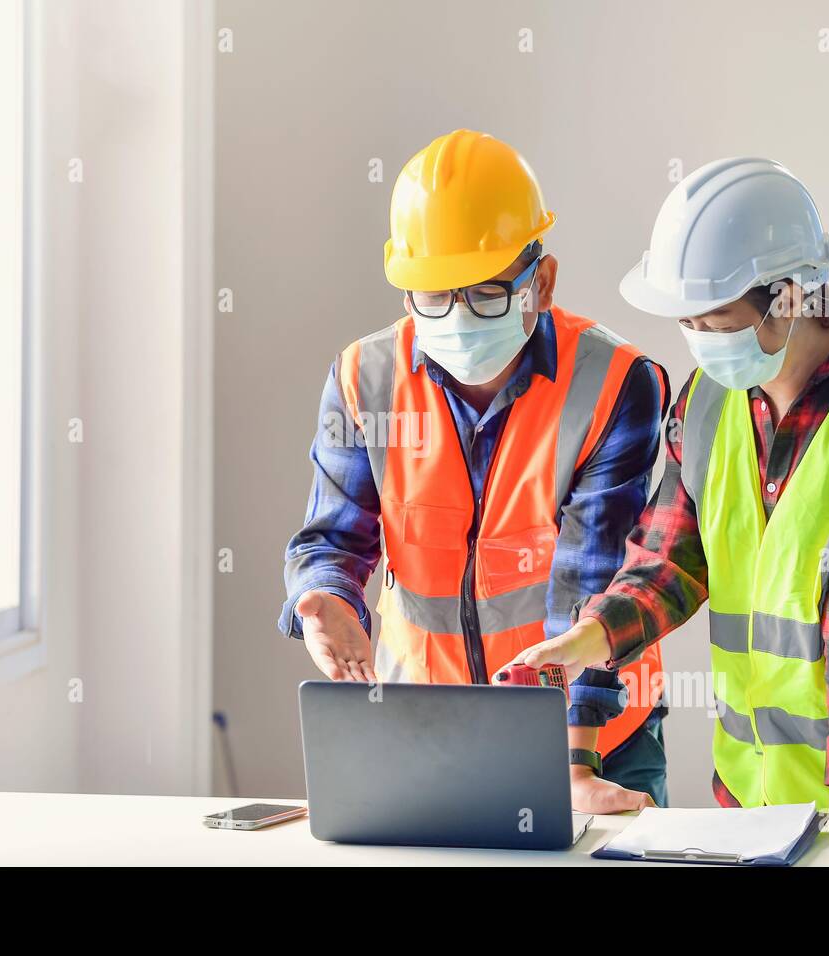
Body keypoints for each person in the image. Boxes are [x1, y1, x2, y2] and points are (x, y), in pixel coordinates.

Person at [510, 157, 829, 865]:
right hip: (761, 806)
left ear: (789, 299)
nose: (699, 336)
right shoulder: (705, 403)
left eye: (716, 318)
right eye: (689, 319)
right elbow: (667, 560)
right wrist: (586, 641)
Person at [279, 130, 671, 811]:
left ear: (540, 282)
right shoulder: (363, 380)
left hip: (597, 733)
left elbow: (593, 580)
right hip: (427, 730)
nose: (458, 318)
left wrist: (573, 758)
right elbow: (332, 539)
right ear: (406, 294)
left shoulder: (612, 383)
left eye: (487, 293)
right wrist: (326, 600)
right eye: (433, 296)